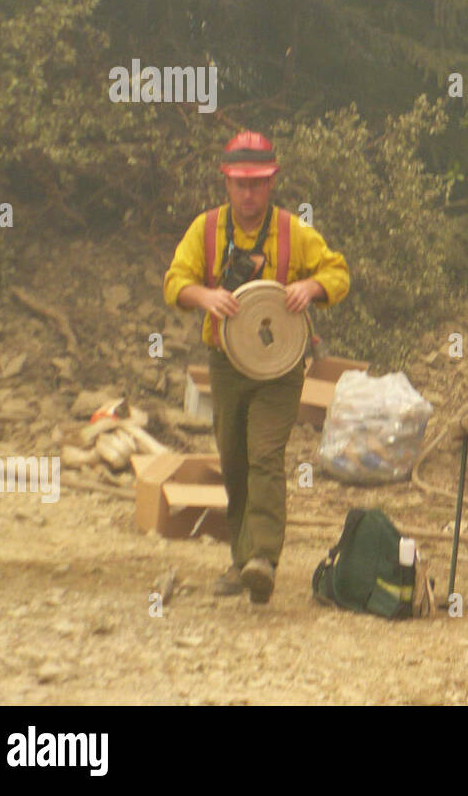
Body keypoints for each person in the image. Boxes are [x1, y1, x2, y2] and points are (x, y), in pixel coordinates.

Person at [163, 131, 350, 603]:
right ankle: (241, 560)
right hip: (226, 364)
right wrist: (205, 295)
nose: (249, 194)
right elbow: (174, 281)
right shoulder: (205, 230)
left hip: (280, 368)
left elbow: (339, 273)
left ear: (272, 183)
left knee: (265, 456)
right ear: (226, 183)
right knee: (233, 459)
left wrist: (311, 288)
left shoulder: (294, 232)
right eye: (240, 184)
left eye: (259, 184)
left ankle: (263, 558)